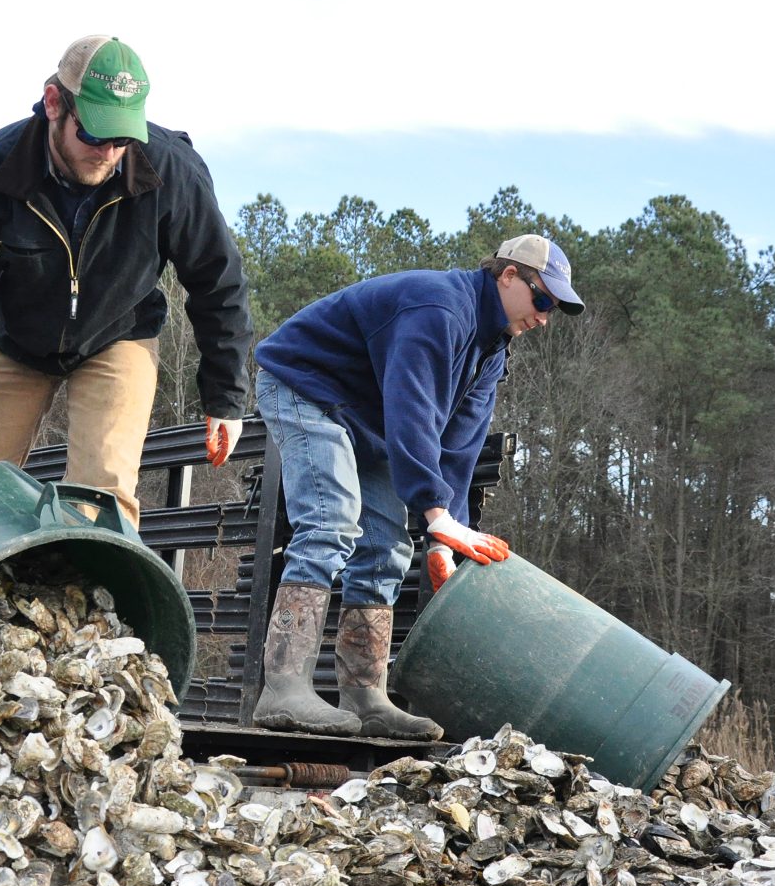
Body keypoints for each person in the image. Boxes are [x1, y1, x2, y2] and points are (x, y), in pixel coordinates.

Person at [0, 35, 253, 526]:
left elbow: (218, 283)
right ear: (54, 103)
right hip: (13, 340)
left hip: (118, 333)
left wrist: (225, 397)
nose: (108, 153)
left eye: (122, 139)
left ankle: (94, 600)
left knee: (102, 494)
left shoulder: (173, 170)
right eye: (93, 135)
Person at [249, 235, 585, 737]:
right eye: (542, 300)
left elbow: (458, 447)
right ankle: (283, 689)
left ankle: (365, 695)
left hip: (366, 413)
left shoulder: (491, 350)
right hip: (306, 387)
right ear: (508, 276)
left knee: (386, 547)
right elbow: (413, 410)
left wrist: (445, 536)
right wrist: (433, 509)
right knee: (330, 520)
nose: (543, 317)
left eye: (553, 309)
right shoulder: (439, 309)